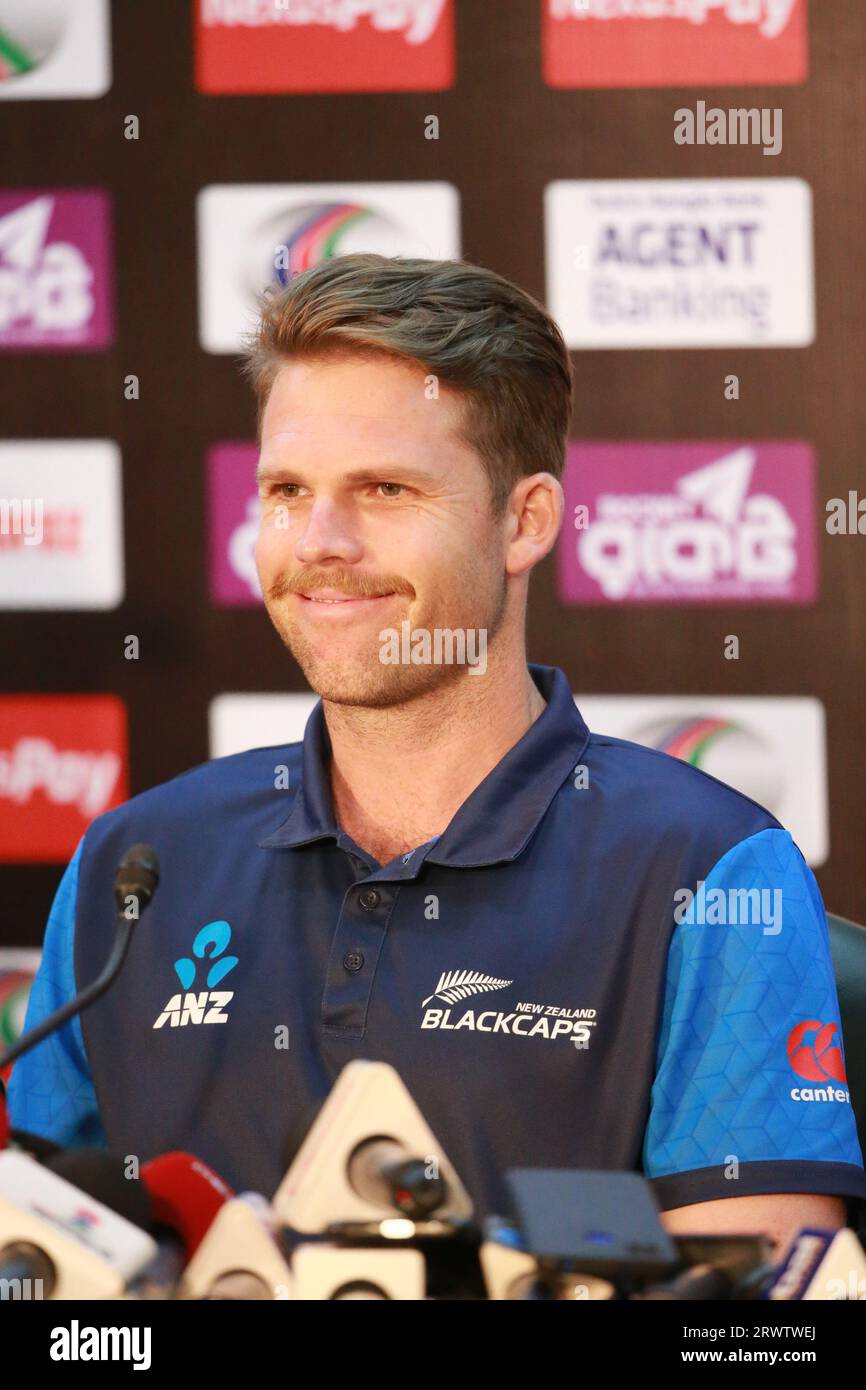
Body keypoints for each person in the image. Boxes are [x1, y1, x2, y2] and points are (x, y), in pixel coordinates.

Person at [7, 254, 865, 1257]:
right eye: (287, 489)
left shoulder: (709, 868)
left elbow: (754, 1313)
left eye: (384, 488)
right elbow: (41, 1261)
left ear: (524, 519)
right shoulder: (135, 864)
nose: (319, 540)